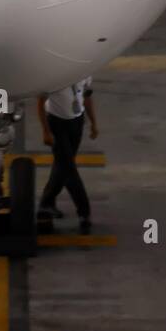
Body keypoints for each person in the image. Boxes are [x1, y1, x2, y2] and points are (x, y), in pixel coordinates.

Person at [37, 78, 97, 234]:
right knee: (69, 169)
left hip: (77, 122)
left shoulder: (86, 71)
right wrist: (46, 131)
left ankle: (46, 203)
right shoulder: (55, 75)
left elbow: (87, 97)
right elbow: (40, 103)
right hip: (57, 123)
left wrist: (93, 123)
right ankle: (84, 213)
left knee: (62, 166)